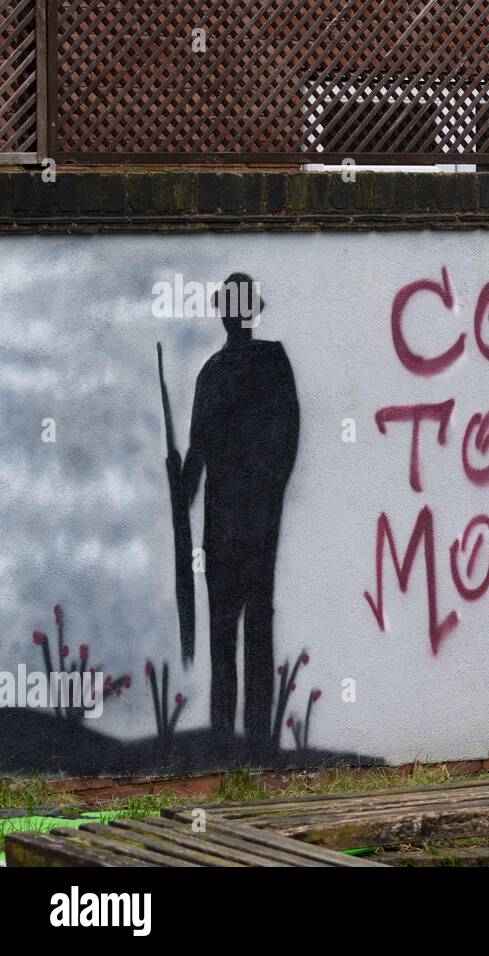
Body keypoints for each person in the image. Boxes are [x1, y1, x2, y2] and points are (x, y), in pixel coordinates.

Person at [176, 273, 299, 743]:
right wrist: (180, 487)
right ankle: (252, 741)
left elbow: (197, 456)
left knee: (228, 631)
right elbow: (200, 453)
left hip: (230, 520)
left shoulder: (219, 371)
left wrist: (179, 490)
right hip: (249, 519)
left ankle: (235, 739)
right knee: (250, 628)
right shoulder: (269, 364)